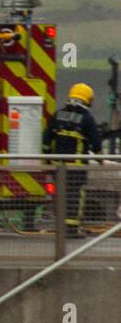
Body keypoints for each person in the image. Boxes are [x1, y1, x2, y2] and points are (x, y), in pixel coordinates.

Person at [43, 83, 101, 236]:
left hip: (58, 166)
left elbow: (46, 139)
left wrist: (48, 161)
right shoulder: (87, 118)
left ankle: (61, 228)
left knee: (60, 195)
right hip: (76, 168)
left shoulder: (58, 114)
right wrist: (101, 158)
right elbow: (96, 143)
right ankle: (72, 229)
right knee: (75, 197)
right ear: (88, 99)